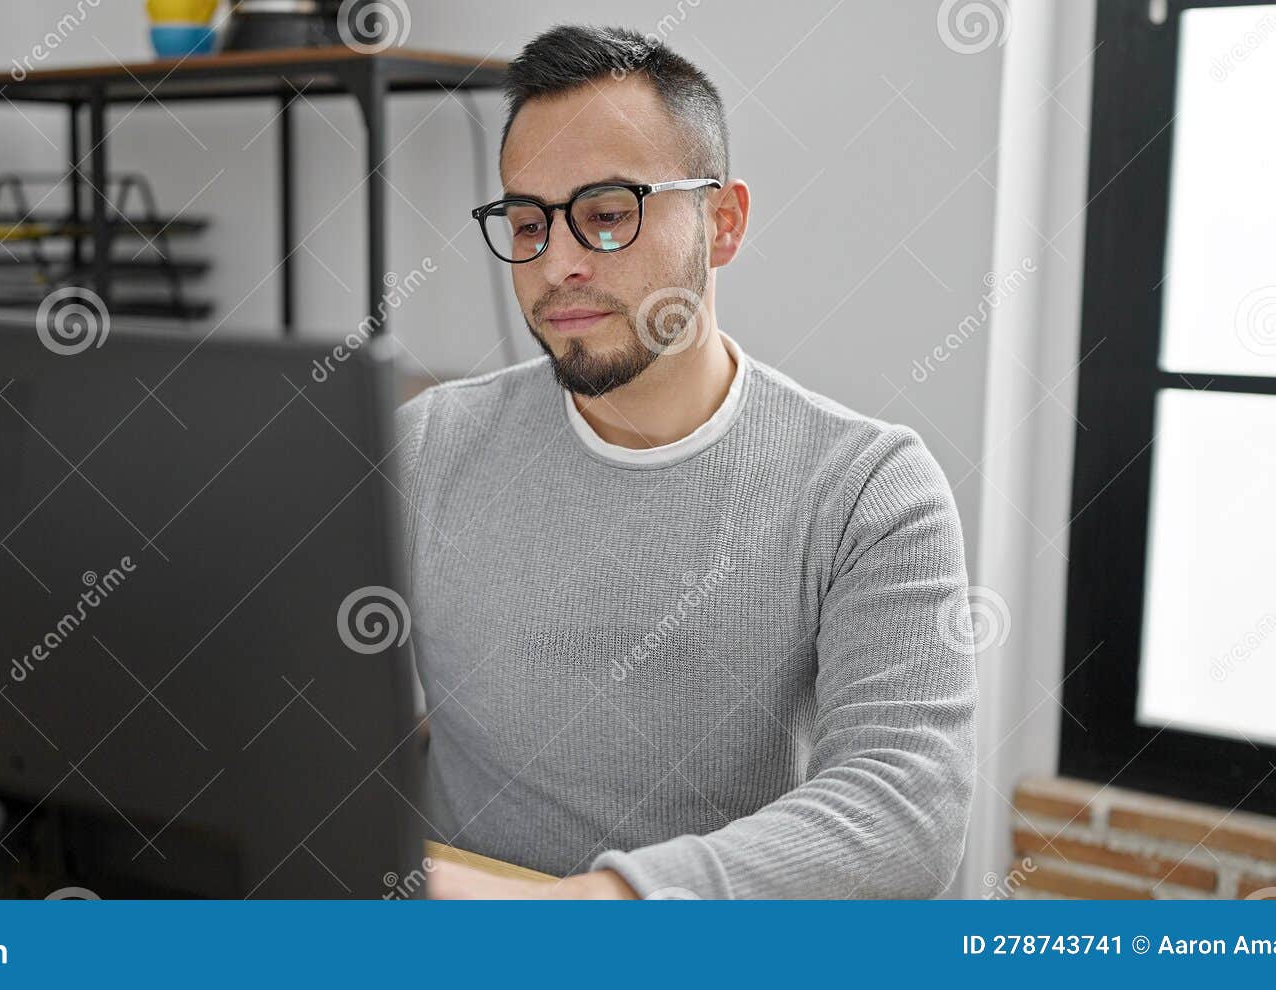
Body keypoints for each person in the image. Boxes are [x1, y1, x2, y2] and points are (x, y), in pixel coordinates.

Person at [397, 24, 977, 899]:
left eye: (606, 214)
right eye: (526, 221)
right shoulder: (428, 445)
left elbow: (906, 814)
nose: (557, 265)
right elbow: (279, 695)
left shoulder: (869, 489)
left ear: (725, 221)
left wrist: (592, 910)